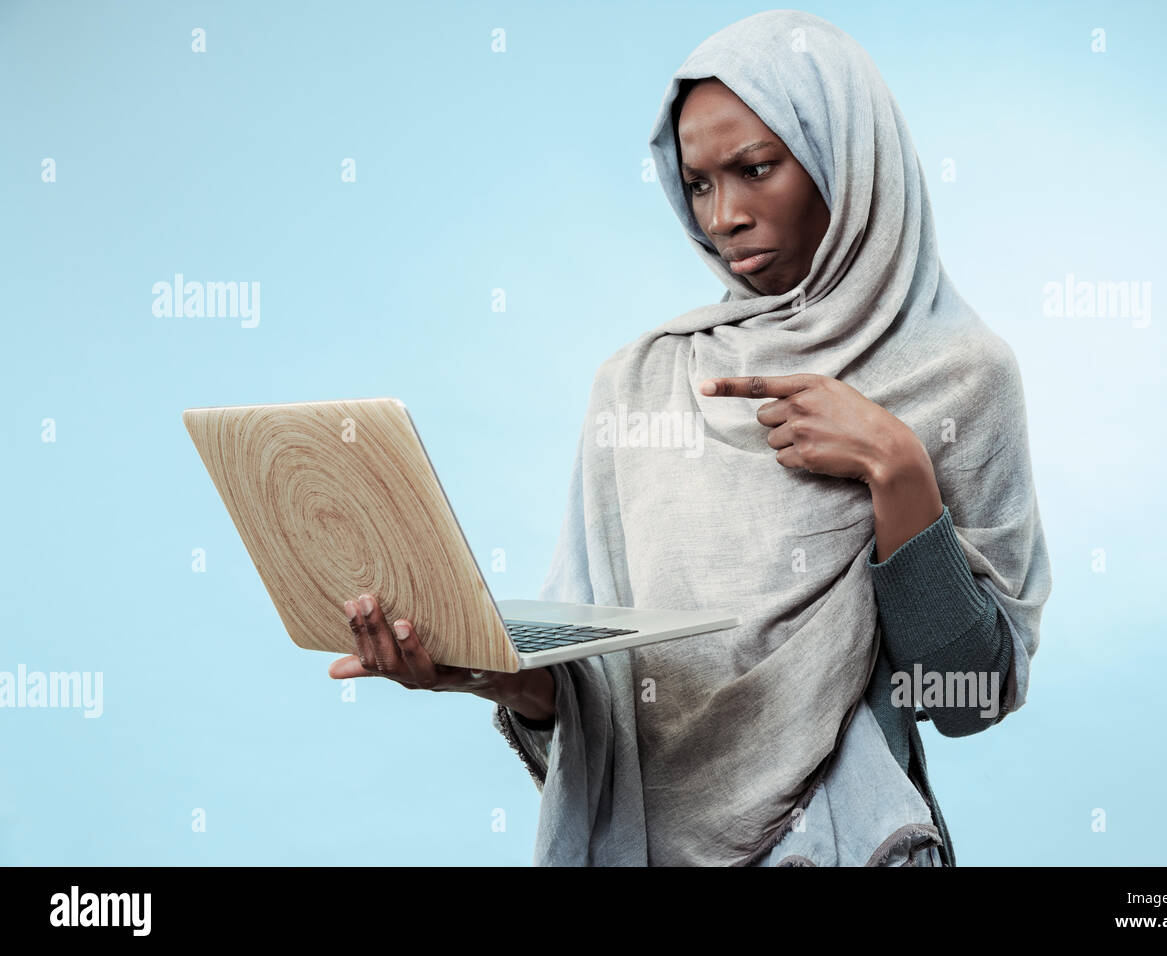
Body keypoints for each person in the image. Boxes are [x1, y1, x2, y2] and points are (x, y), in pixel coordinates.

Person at [328, 9, 1052, 867]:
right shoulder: (639, 382)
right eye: (699, 184)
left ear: (846, 162)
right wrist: (488, 674)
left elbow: (969, 696)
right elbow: (599, 691)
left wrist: (897, 472)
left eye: (755, 169)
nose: (726, 216)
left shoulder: (961, 375)